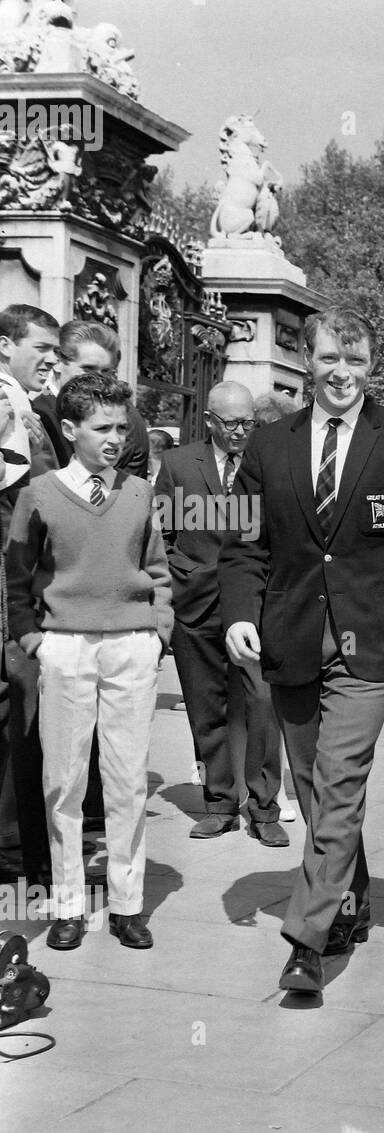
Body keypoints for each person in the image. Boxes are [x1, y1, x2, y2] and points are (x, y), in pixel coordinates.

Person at [222, 306, 384, 996]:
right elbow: (242, 544)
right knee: (316, 787)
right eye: (328, 359)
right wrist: (237, 615)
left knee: (339, 778)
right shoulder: (268, 446)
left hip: (368, 647)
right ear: (306, 364)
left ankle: (307, 940)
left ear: (370, 367)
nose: (342, 374)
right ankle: (352, 899)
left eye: (355, 361)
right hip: (290, 641)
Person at [5, 373, 172, 950]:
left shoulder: (140, 493)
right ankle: (69, 904)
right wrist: (33, 641)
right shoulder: (40, 493)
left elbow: (157, 569)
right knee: (64, 780)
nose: (116, 438)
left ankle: (128, 903)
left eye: (123, 428)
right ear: (70, 429)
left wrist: (159, 633)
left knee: (127, 781)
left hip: (131, 646)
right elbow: (17, 574)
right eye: (103, 428)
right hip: (66, 648)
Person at [158, 381, 286, 847]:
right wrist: (182, 576)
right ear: (210, 420)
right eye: (230, 423)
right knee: (206, 709)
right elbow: (162, 537)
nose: (239, 432)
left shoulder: (270, 460)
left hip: (256, 605)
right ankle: (219, 804)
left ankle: (265, 807)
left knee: (262, 705)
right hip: (196, 606)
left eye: (247, 422)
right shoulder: (177, 465)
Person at [0, 304, 62, 887]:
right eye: (40, 347)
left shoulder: (25, 404)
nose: (51, 359)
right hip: (10, 581)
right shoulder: (6, 403)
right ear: (5, 346)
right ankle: (15, 850)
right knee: (20, 708)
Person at [34, 321, 150, 479]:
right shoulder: (39, 413)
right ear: (58, 363)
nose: (97, 379)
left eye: (106, 371)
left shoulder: (121, 415)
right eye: (88, 369)